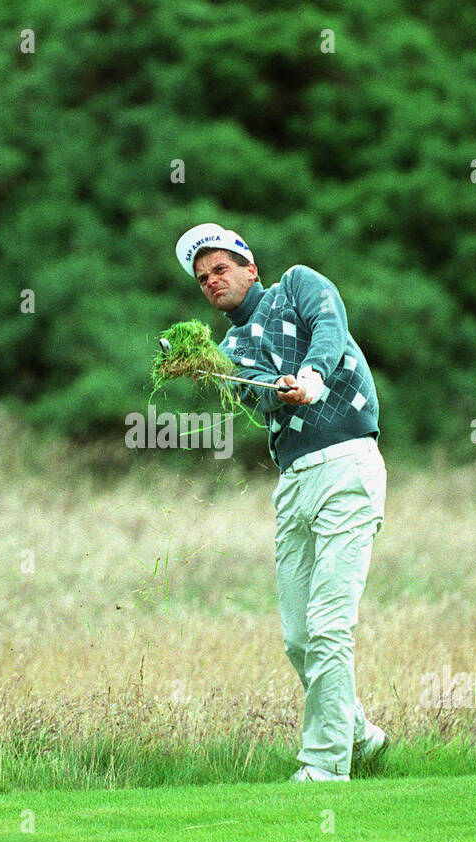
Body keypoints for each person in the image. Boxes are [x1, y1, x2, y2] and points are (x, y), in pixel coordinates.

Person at [175, 222, 389, 781]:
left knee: (328, 627)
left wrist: (313, 377)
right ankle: (360, 736)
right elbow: (259, 394)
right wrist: (220, 372)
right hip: (294, 483)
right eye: (202, 279)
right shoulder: (226, 352)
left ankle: (324, 766)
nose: (211, 282)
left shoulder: (298, 284)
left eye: (220, 268)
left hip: (346, 463)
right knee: (298, 637)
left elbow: (331, 327)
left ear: (250, 267)